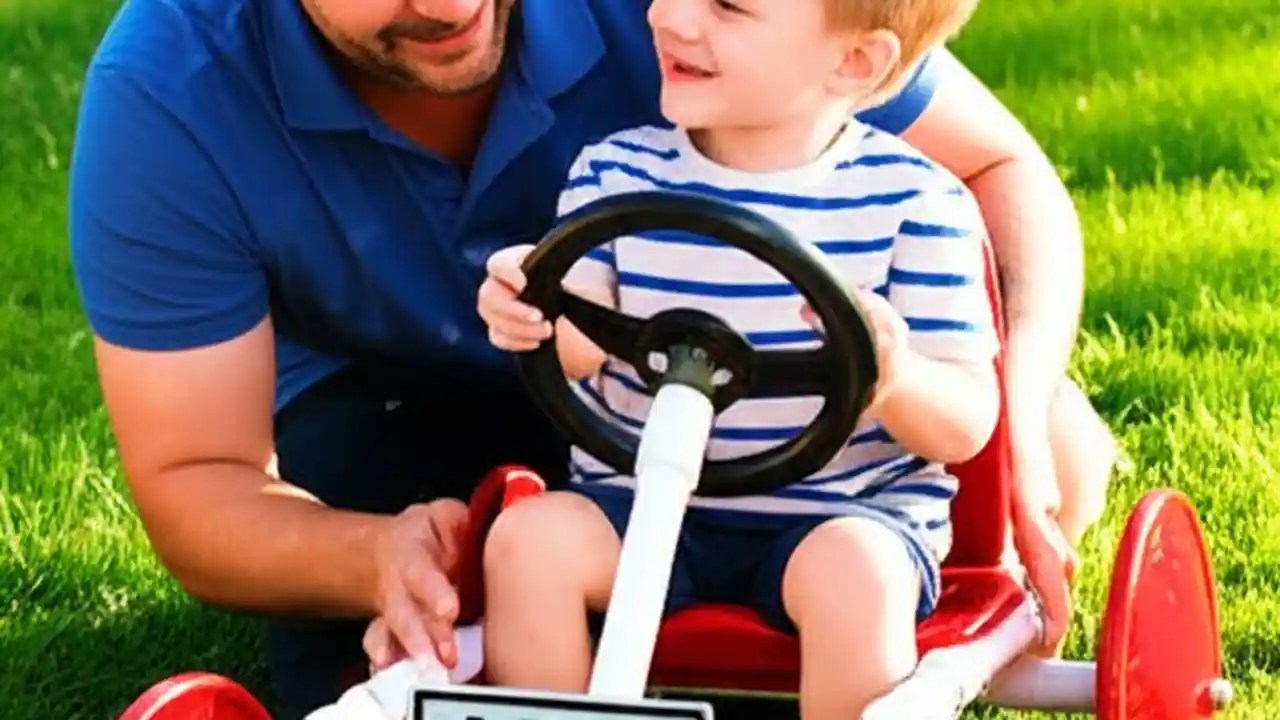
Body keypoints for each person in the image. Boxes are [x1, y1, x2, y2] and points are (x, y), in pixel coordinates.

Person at [67, 0, 1111, 716]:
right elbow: (198, 481)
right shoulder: (171, 84)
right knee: (435, 607)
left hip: (783, 443)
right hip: (404, 406)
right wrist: (376, 556)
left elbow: (996, 166)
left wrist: (1009, 427)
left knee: (1047, 456)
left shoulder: (754, 45)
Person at [475, 0, 998, 714]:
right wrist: (527, 306)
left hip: (838, 512)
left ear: (854, 62)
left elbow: (965, 425)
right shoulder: (618, 172)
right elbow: (577, 346)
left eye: (727, 7)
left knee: (857, 576)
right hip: (632, 500)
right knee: (528, 543)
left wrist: (895, 377)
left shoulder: (914, 202)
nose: (668, 17)